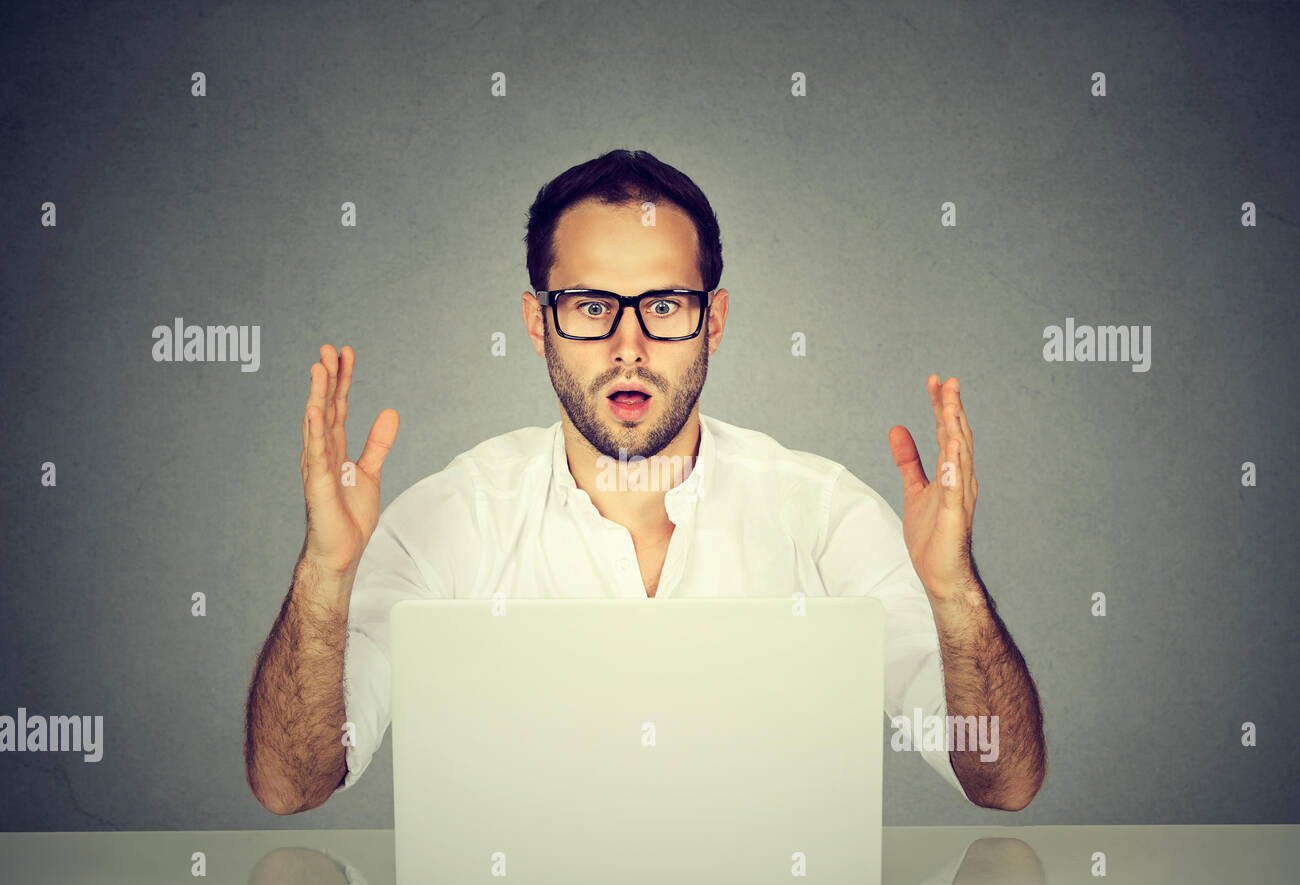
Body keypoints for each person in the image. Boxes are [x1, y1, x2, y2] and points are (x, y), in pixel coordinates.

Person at [244, 149, 1046, 816]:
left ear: (714, 321)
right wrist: (325, 574)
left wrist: (954, 595)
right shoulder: (449, 520)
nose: (629, 345)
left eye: (664, 304)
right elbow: (294, 784)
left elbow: (1002, 782)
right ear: (537, 324)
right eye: (591, 305)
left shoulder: (824, 513)